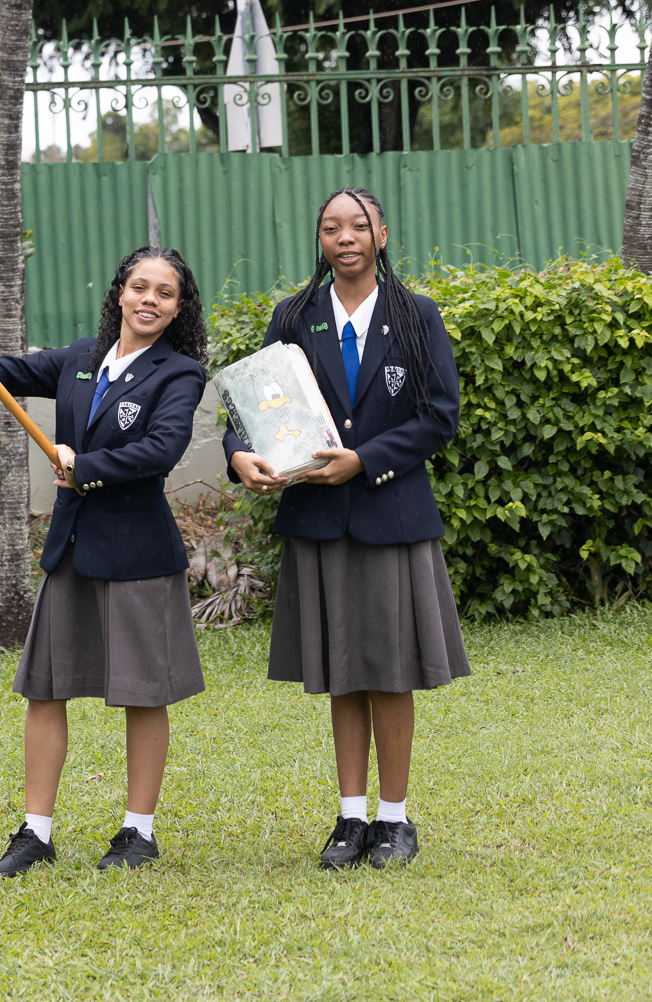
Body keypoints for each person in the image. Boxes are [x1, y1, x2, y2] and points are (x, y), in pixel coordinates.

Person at [0, 245, 209, 878]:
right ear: (119, 293)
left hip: (139, 555)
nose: (149, 300)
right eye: (139, 287)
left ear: (177, 310)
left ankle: (137, 832)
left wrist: (81, 466)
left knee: (144, 695)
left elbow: (161, 449)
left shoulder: (180, 373)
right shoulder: (78, 361)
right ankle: (36, 831)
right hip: (71, 551)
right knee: (47, 689)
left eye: (164, 293)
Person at [225, 187, 468, 871]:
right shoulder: (295, 316)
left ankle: (395, 820)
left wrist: (364, 460)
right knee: (342, 671)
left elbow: (438, 416)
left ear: (382, 233)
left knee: (389, 672)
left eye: (357, 224)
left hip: (390, 514)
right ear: (321, 238)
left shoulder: (416, 317)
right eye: (330, 226)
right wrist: (238, 456)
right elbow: (250, 409)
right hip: (319, 520)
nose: (344, 236)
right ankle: (351, 817)